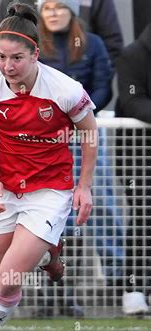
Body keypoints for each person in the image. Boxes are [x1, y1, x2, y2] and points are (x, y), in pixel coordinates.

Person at [0, 3, 98, 331]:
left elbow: (89, 131)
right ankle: (50, 251)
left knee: (8, 277)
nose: (7, 66)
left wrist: (84, 187)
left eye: (16, 58)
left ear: (35, 53)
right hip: (8, 189)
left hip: (51, 191)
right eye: (1, 56)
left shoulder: (64, 89)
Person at [37, 0, 122, 316]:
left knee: (101, 207)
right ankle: (54, 288)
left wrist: (79, 115)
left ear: (72, 11)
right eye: (47, 6)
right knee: (52, 213)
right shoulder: (34, 47)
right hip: (46, 141)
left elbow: (103, 88)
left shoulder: (93, 43)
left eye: (61, 6)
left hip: (85, 137)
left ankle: (118, 281)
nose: (55, 12)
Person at [114, 22, 151, 314]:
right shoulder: (133, 54)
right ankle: (134, 288)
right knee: (143, 216)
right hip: (137, 157)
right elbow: (132, 100)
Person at [0, 0, 123, 66]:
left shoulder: (94, 43)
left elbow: (112, 44)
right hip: (29, 100)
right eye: (47, 9)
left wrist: (87, 98)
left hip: (82, 100)